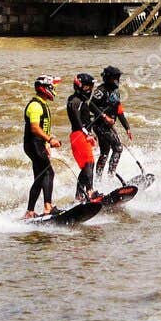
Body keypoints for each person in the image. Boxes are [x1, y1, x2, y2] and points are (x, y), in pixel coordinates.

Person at [23, 75, 60, 217]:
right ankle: (48, 207)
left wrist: (45, 144)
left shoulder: (42, 104)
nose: (54, 90)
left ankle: (30, 212)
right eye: (52, 87)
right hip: (33, 144)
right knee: (48, 172)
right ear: (44, 88)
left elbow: (43, 127)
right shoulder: (35, 105)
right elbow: (34, 128)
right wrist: (50, 139)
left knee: (39, 177)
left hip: (37, 144)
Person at [90, 65, 132, 180]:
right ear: (108, 78)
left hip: (108, 126)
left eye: (118, 78)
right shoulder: (101, 90)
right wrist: (105, 117)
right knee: (118, 148)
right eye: (115, 78)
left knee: (105, 152)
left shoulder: (116, 92)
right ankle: (110, 176)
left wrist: (127, 128)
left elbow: (119, 111)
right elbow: (91, 105)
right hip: (100, 125)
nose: (117, 80)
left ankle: (98, 179)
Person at [67, 72, 97, 202]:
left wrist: (91, 134)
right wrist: (86, 134)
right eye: (87, 87)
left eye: (90, 87)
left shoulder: (82, 101)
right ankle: (90, 192)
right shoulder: (74, 100)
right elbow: (76, 120)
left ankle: (79, 195)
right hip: (79, 135)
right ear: (79, 86)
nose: (89, 90)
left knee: (88, 166)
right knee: (89, 163)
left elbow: (85, 120)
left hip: (81, 135)